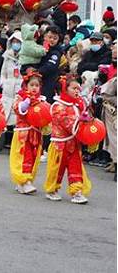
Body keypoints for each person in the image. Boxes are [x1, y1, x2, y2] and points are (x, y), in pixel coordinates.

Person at [44, 75, 92, 204]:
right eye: (74, 88)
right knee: (56, 169)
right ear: (64, 89)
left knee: (75, 167)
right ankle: (52, 189)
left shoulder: (78, 104)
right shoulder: (57, 106)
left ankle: (77, 191)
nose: (77, 91)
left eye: (78, 88)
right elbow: (66, 122)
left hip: (74, 143)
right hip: (60, 144)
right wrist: (80, 120)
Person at [9, 71, 46, 194]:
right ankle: (23, 180)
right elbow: (17, 108)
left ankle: (26, 180)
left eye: (37, 85)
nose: (34, 88)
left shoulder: (42, 99)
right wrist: (25, 104)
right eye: (32, 85)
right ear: (26, 85)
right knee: (24, 156)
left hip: (36, 133)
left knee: (34, 157)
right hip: (23, 132)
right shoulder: (20, 97)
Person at [0, 31, 23, 130]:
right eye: (13, 42)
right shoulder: (7, 56)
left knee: (17, 115)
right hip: (7, 90)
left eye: (18, 42)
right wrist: (3, 83)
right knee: (5, 114)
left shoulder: (25, 57)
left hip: (19, 90)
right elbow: (3, 72)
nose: (15, 44)